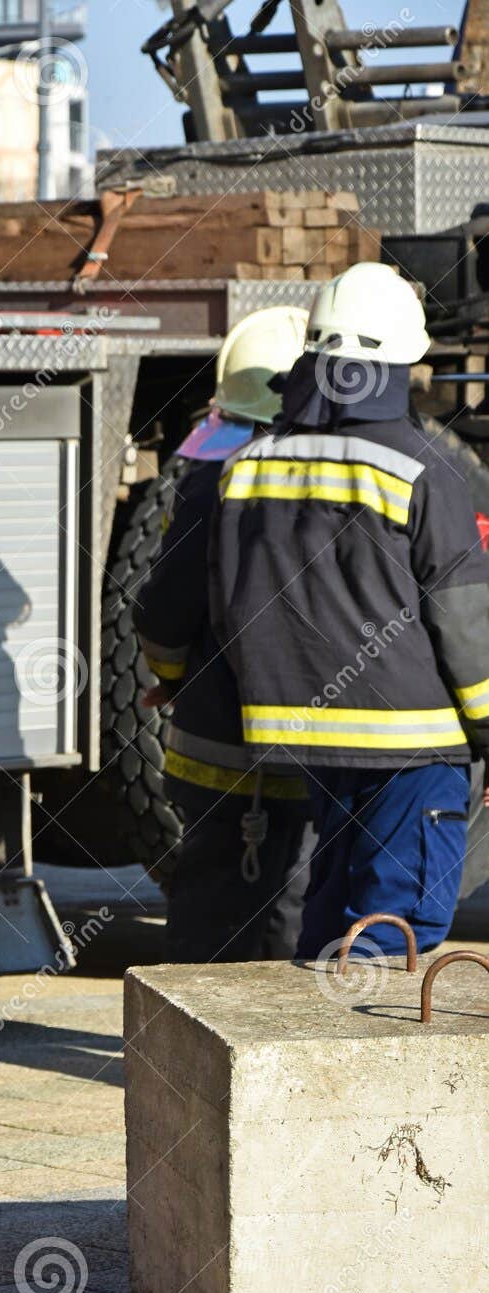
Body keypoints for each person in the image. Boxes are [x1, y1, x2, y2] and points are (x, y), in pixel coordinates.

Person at [210, 262, 489, 960]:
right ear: (403, 360)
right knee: (393, 932)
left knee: (330, 914)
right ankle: (371, 1065)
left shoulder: (248, 462)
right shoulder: (424, 467)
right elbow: (464, 621)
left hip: (310, 739)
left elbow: (227, 602)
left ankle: (318, 1059)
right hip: (412, 744)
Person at [134, 306, 313, 961]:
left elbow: (164, 609)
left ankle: (197, 1056)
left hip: (217, 751)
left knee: (217, 925)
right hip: (317, 761)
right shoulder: (351, 474)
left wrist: (173, 677)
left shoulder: (215, 475)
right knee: (290, 919)